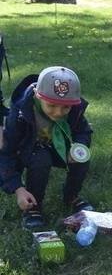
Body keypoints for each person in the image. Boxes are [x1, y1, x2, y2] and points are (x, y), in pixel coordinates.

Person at [0, 67, 93, 230]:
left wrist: (79, 146)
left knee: (81, 156)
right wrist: (17, 188)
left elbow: (83, 131)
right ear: (37, 95)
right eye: (51, 105)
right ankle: (33, 205)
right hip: (31, 150)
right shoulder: (21, 113)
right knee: (40, 158)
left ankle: (71, 195)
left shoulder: (72, 108)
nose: (58, 112)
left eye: (65, 108)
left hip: (59, 144)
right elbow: (6, 153)